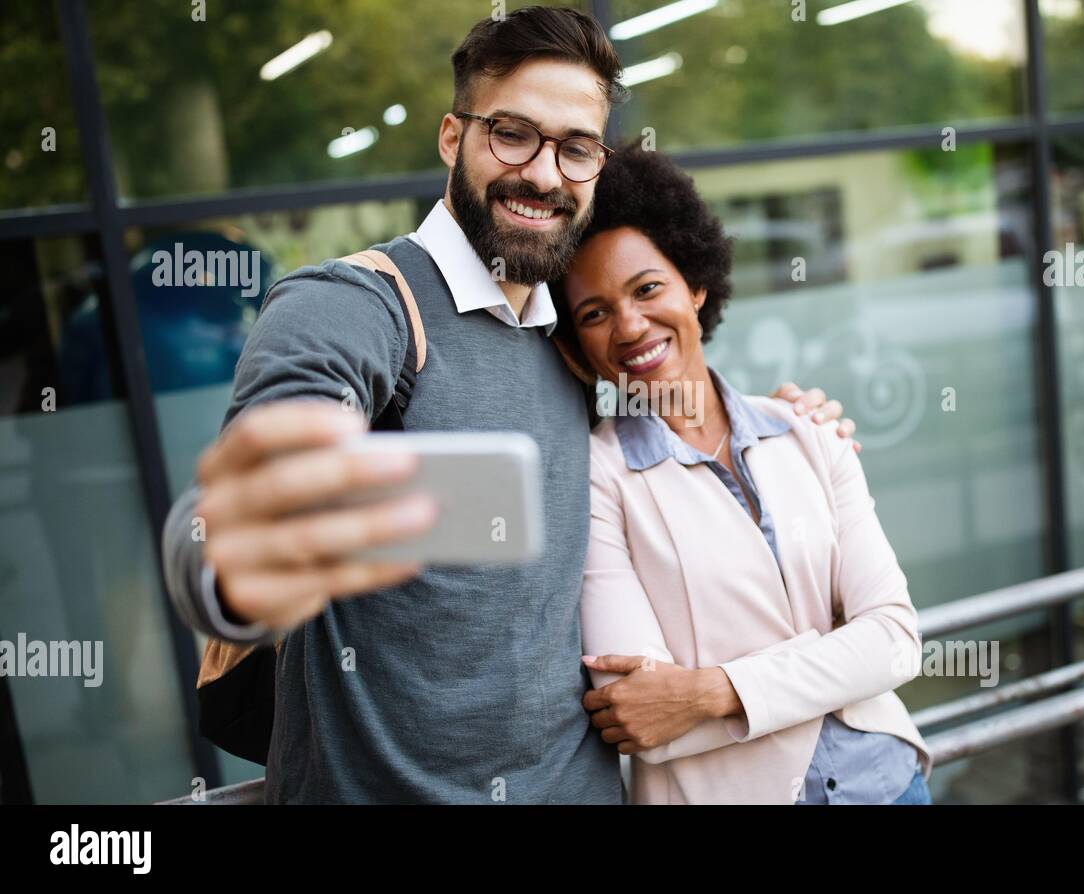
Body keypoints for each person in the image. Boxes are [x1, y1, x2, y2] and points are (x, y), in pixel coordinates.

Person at [160, 6, 855, 804]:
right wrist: (243, 555)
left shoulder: (569, 336)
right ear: (453, 138)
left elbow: (684, 407)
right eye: (512, 133)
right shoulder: (360, 305)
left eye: (576, 148)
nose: (545, 173)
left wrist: (793, 425)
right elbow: (261, 468)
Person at [554, 146, 933, 805]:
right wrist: (839, 659)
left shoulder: (807, 431)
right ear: (577, 345)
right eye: (595, 313)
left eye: (648, 289)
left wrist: (706, 693)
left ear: (695, 286)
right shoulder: (595, 477)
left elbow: (896, 642)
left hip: (888, 784)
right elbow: (640, 716)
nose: (631, 325)